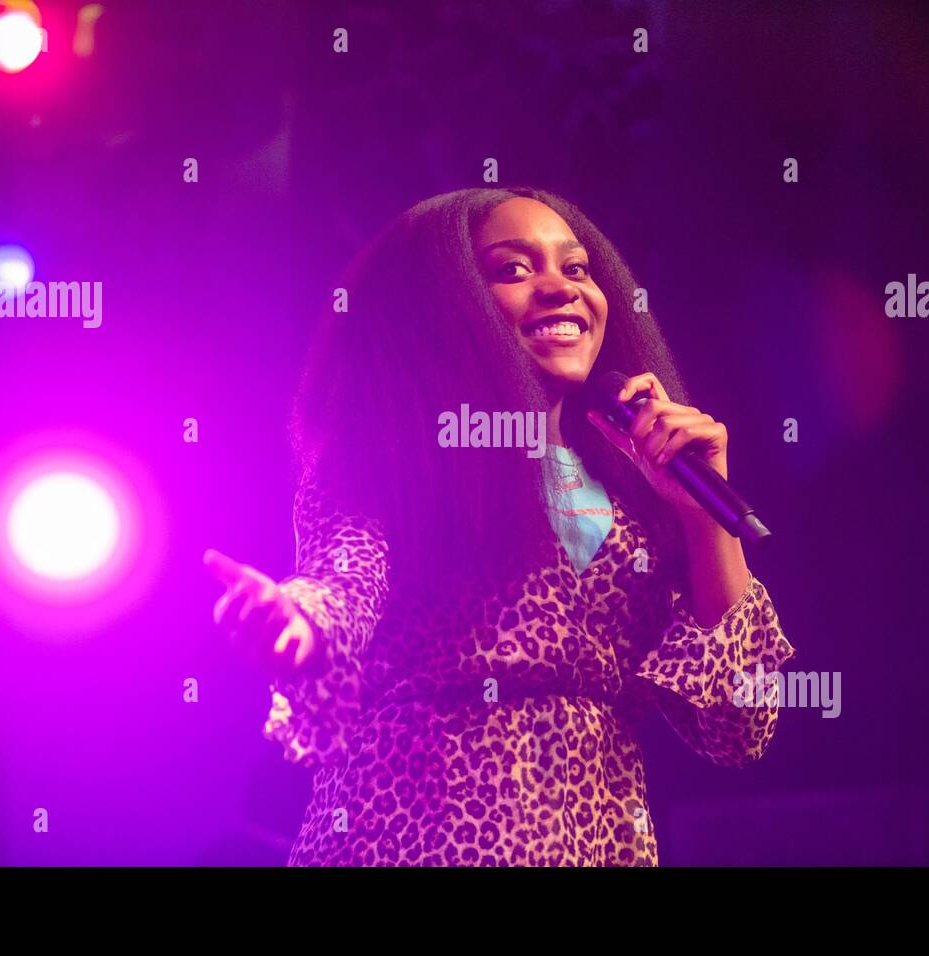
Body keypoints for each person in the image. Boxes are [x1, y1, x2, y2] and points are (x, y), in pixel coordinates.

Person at [204, 186, 795, 865]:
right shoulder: (390, 462)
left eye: (575, 269)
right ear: (439, 310)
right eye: (514, 270)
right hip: (415, 838)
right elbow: (345, 576)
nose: (561, 289)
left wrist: (700, 519)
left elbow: (740, 727)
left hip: (597, 844)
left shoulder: (632, 498)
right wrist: (298, 622)